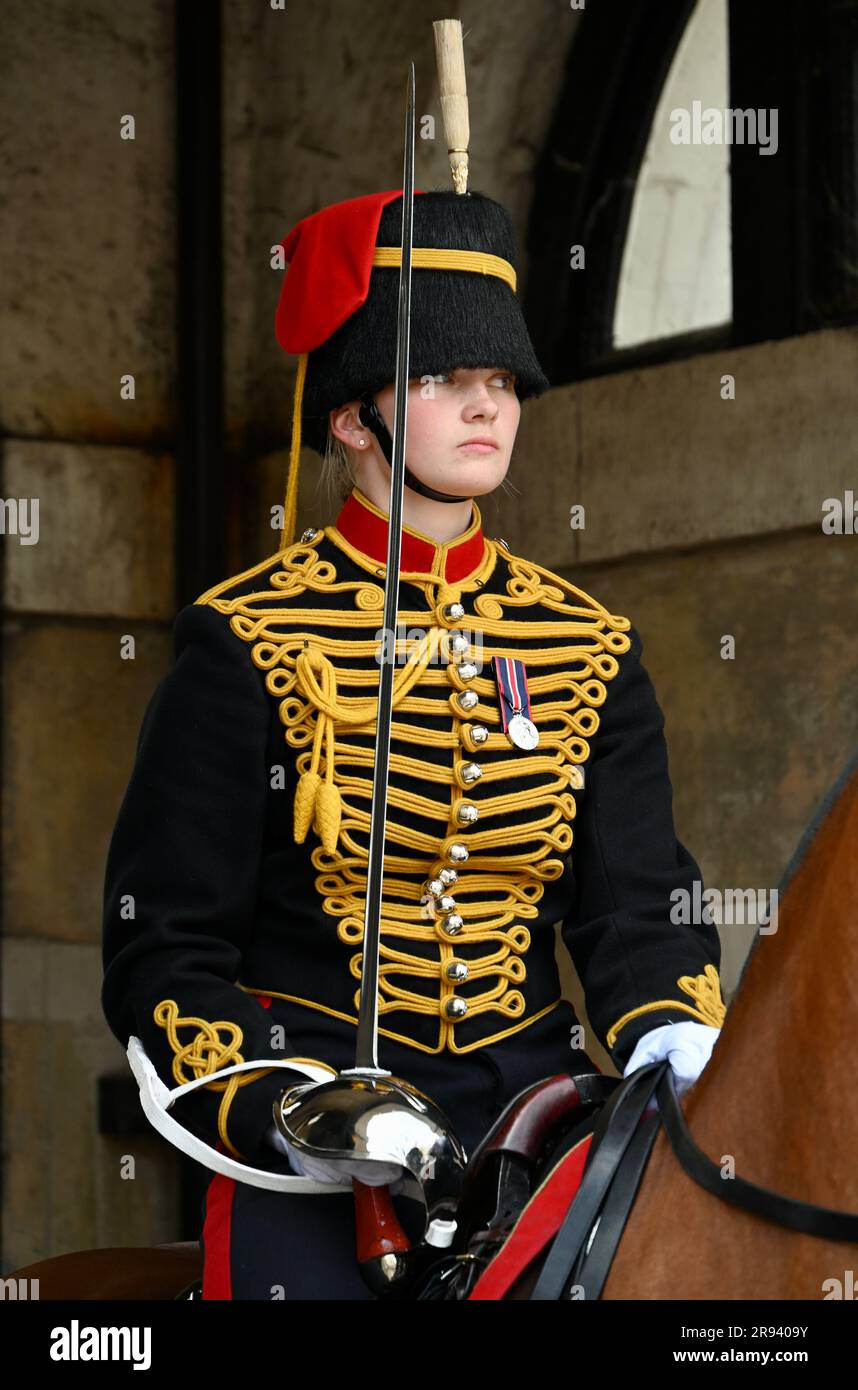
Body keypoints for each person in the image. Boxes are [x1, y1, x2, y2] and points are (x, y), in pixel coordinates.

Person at [101, 187, 725, 1301]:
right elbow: (166, 947)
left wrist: (675, 1031)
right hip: (320, 1143)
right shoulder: (245, 639)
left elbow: (638, 906)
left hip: (543, 1123)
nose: (487, 408)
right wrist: (287, 1110)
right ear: (353, 418)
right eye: (442, 379)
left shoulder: (588, 644)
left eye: (502, 383)